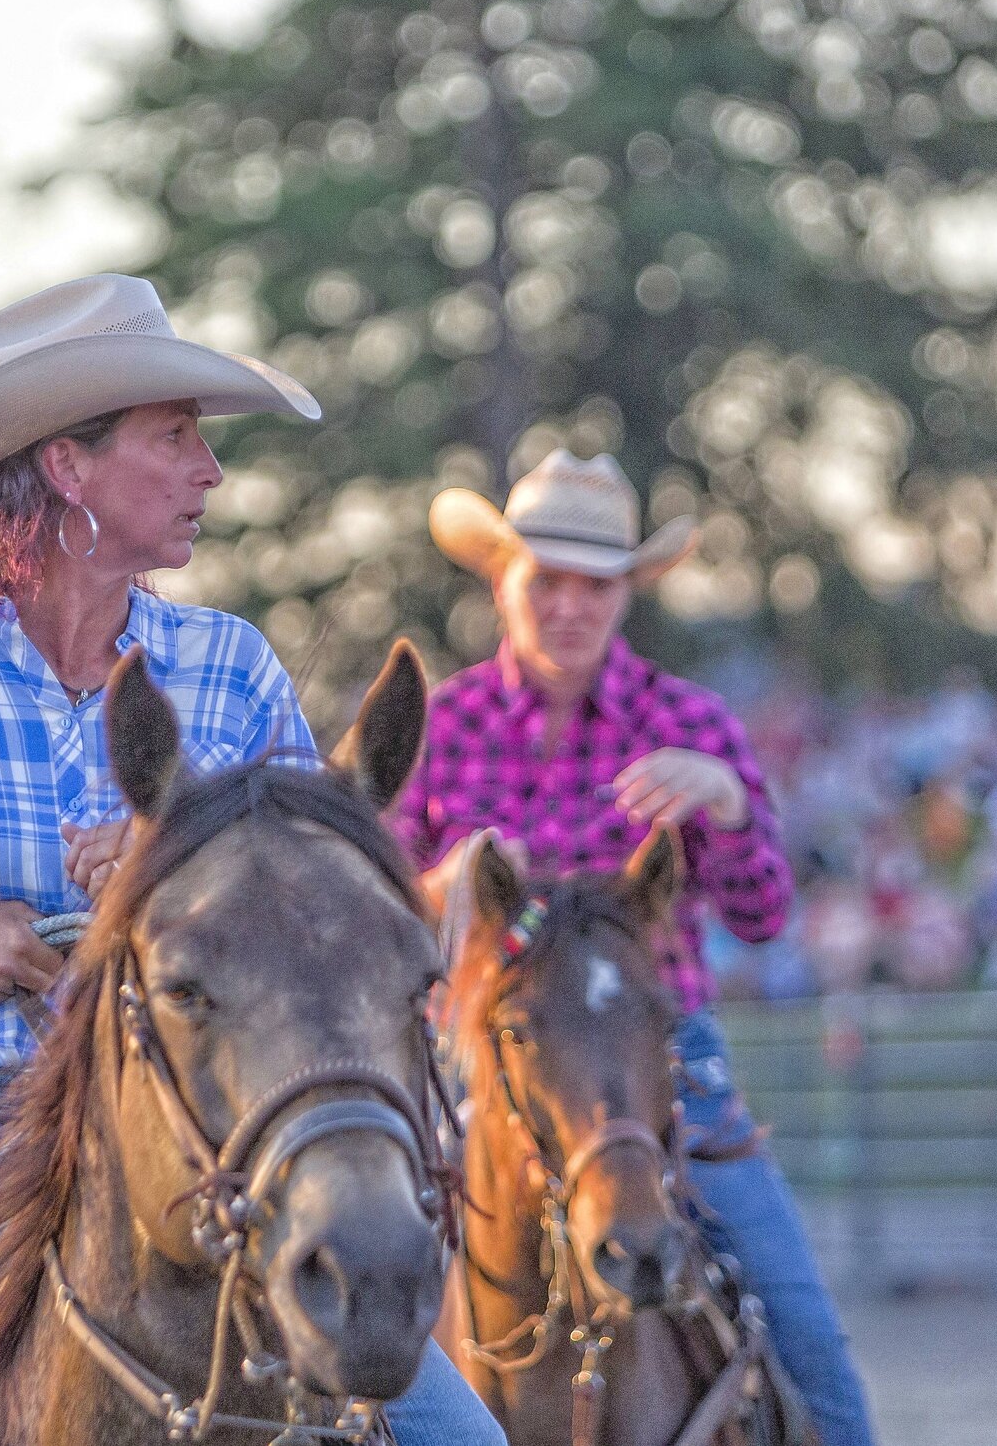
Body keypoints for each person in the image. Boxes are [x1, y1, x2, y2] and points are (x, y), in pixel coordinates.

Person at [0, 275, 505, 1446]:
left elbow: (308, 907)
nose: (209, 470)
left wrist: (177, 865)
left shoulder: (230, 667)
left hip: (189, 1146)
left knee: (466, 1440)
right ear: (68, 464)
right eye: (176, 437)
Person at [395, 448, 879, 1446]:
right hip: (480, 1074)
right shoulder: (444, 724)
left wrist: (730, 803)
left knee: (808, 1334)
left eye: (594, 582)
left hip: (667, 1064)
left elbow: (760, 914)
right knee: (342, 1303)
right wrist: (446, 883)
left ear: (627, 591)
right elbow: (373, 904)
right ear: (503, 579)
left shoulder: (689, 722)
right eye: (547, 578)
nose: (568, 603)